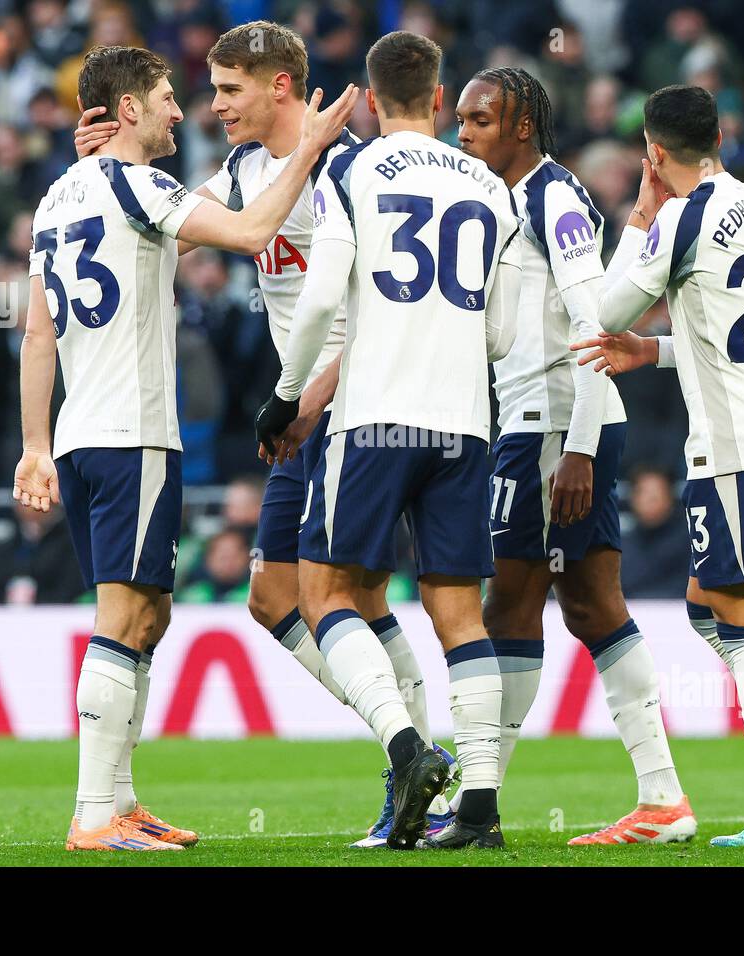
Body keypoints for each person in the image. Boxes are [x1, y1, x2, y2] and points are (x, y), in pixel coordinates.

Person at [74, 22, 448, 846]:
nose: (216, 107)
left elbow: (386, 311)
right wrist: (95, 163)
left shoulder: (350, 169)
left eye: (231, 91)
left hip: (350, 405)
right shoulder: (245, 171)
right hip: (299, 414)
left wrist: (312, 394)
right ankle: (413, 750)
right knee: (274, 598)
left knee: (352, 595)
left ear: (281, 85)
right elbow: (159, 211)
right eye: (209, 91)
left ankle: (418, 772)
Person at [13, 42, 356, 852]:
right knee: (125, 613)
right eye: (167, 97)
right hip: (134, 437)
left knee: (149, 613)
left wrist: (33, 444)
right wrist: (311, 143)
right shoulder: (142, 185)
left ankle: (121, 801)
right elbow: (252, 229)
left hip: (78, 437)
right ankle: (96, 812)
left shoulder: (57, 196)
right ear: (128, 109)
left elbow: (36, 333)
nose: (183, 110)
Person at [255, 31, 522, 850]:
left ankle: (406, 748)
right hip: (465, 423)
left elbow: (319, 300)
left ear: (370, 101)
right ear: (440, 100)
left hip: (377, 417)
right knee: (456, 609)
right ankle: (479, 811)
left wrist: (285, 397)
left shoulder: (359, 171)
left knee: (323, 592)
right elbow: (503, 335)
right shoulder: (491, 186)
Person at [573, 84, 744, 848]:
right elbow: (734, 333)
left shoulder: (680, 217)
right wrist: (654, 352)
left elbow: (604, 309)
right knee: (708, 605)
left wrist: (637, 217)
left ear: (653, 154)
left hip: (735, 451)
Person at [454, 67, 696, 847]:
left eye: (481, 118)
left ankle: (474, 800)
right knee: (590, 607)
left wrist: (580, 449)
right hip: (547, 423)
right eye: (460, 116)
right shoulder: (519, 195)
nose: (464, 130)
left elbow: (592, 320)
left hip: (554, 428)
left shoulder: (548, 195)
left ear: (522, 125)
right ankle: (661, 799)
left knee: (506, 609)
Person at [619, 464, 692, 598]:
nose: (650, 500)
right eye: (644, 493)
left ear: (669, 498)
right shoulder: (620, 545)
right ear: (633, 498)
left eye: (657, 494)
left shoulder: (690, 545)